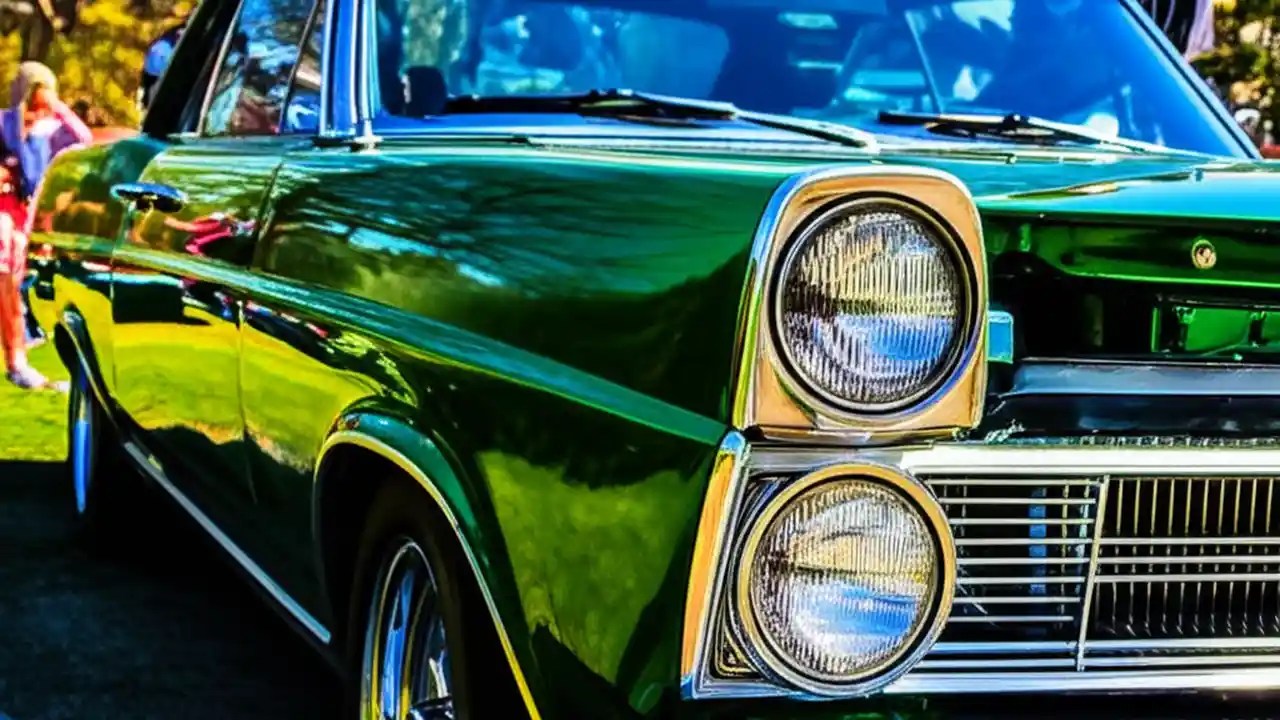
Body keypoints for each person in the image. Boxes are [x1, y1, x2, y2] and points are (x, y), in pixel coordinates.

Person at [0, 61, 92, 390]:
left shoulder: (47, 130)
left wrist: (58, 106)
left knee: (13, 287)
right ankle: (17, 362)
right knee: (6, 285)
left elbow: (82, 138)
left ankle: (18, 360)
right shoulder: (4, 124)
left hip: (24, 217)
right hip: (4, 212)